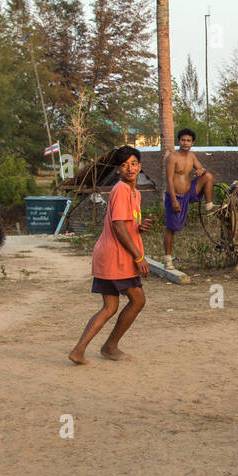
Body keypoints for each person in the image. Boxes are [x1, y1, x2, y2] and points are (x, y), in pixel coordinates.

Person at [70, 146, 153, 364]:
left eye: (133, 164)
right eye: (124, 165)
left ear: (140, 167)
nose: (130, 168)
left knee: (110, 307)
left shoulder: (135, 193)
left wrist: (139, 227)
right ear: (118, 169)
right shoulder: (122, 189)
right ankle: (110, 346)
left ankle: (80, 350)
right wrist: (138, 257)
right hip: (117, 256)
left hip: (110, 254)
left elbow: (126, 224)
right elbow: (118, 227)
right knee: (137, 300)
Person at [162, 128, 217, 271]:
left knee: (208, 177)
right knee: (171, 228)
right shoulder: (172, 157)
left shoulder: (191, 156)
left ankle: (209, 205)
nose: (185, 143)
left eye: (188, 140)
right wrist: (173, 200)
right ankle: (168, 259)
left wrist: (201, 171)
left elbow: (201, 169)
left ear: (192, 142)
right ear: (179, 141)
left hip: (189, 193)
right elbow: (168, 179)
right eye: (183, 140)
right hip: (175, 196)